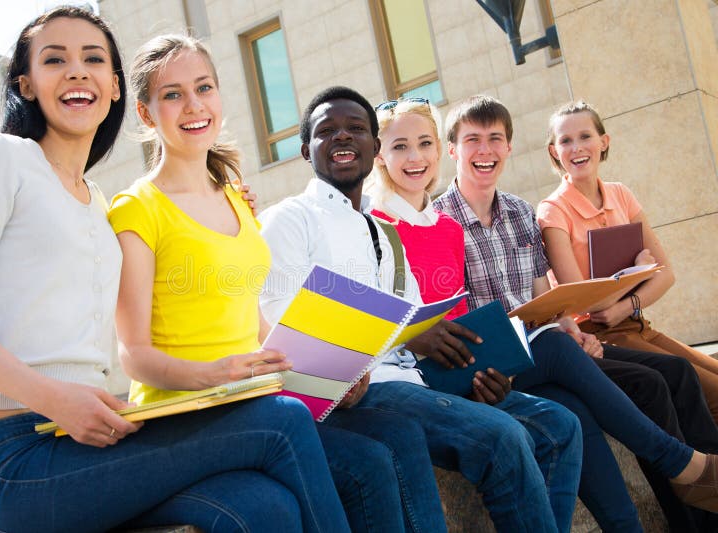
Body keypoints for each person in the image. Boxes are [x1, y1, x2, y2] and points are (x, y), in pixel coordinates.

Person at [0, 8, 352, 533]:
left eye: (93, 59)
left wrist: (227, 207)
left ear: (116, 88)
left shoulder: (96, 203)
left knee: (263, 506)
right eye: (56, 59)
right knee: (282, 422)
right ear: (26, 85)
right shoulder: (0, 158)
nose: (78, 71)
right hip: (13, 456)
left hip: (91, 438)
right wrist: (57, 400)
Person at [106, 35, 444, 533]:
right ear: (146, 112)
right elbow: (133, 355)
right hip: (185, 413)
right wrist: (221, 373)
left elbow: (255, 322)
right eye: (173, 94)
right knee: (343, 458)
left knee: (388, 445)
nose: (194, 105)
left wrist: (329, 373)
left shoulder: (235, 199)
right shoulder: (136, 208)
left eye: (204, 87)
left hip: (253, 402)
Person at [259, 85, 584, 533]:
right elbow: (283, 315)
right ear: (304, 150)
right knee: (503, 436)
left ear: (373, 147)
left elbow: (418, 326)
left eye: (356, 129)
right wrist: (406, 332)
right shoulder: (288, 219)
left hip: (415, 378)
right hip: (359, 391)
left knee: (557, 426)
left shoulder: (385, 234)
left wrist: (471, 375)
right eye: (326, 131)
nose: (342, 138)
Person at [432, 94, 718, 527]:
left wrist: (573, 328)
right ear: (452, 149)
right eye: (473, 140)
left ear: (509, 147)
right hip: (488, 366)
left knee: (578, 412)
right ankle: (683, 465)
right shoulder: (439, 222)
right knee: (569, 356)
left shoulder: (519, 212)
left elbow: (545, 297)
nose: (485, 150)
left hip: (537, 351)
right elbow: (451, 320)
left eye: (495, 138)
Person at [537, 99, 718, 425]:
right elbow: (585, 300)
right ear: (554, 151)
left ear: (603, 142)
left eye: (585, 136)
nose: (576, 147)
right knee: (712, 392)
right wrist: (636, 273)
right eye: (565, 141)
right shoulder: (552, 211)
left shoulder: (621, 194)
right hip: (597, 336)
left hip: (636, 322)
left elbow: (666, 273)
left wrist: (626, 303)